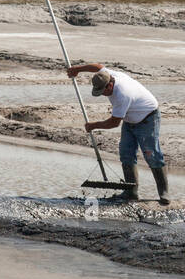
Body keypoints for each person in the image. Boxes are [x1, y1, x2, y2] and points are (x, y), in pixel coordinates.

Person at [66, 63, 169, 205]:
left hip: (148, 117)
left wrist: (93, 125)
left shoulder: (122, 94)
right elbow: (98, 67)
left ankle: (164, 193)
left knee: (151, 154)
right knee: (126, 153)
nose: (102, 94)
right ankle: (131, 192)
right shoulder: (107, 74)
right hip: (130, 118)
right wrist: (77, 69)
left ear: (110, 85)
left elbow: (114, 123)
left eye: (102, 91)